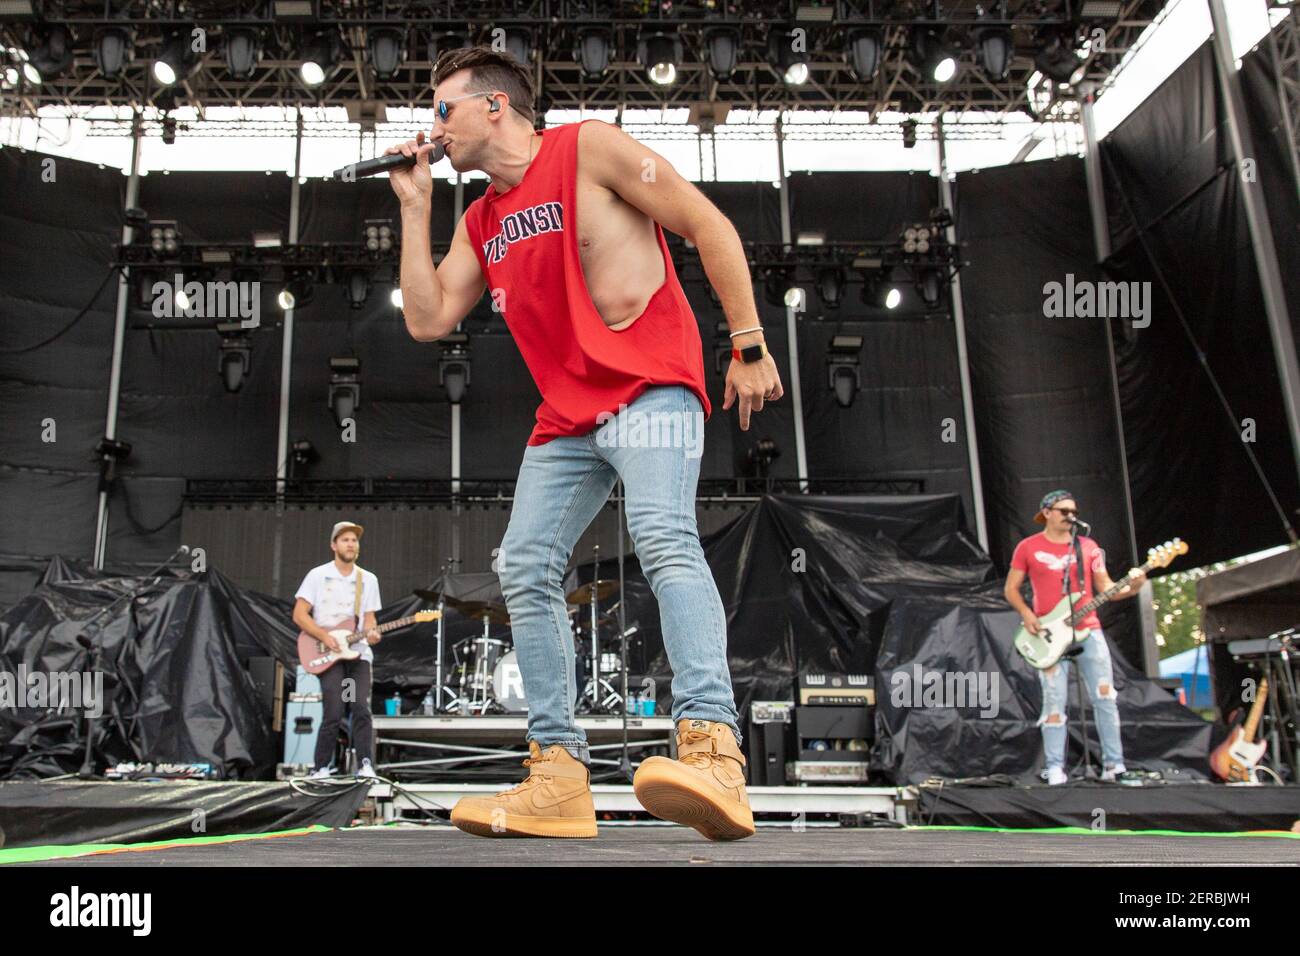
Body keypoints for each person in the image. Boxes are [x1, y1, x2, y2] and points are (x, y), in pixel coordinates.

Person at [388, 46, 783, 840]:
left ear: (494, 107)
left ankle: (713, 748)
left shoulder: (588, 149)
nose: (433, 126)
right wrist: (412, 205)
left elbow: (708, 223)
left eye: (443, 110)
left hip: (652, 385)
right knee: (524, 563)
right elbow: (428, 319)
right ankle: (558, 773)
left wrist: (748, 345)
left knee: (664, 535)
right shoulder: (481, 219)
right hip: (569, 415)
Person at [1004, 490, 1146, 785]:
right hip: (1048, 630)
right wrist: (1027, 614)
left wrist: (1134, 586)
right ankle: (1055, 767)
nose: (1071, 516)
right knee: (1055, 700)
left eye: (1074, 511)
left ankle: (1114, 765)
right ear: (1046, 512)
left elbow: (1107, 587)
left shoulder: (1089, 547)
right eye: (1064, 510)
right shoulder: (1028, 547)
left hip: (1089, 630)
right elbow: (1011, 588)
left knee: (1106, 696)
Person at [293, 521, 383, 779]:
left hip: (358, 653)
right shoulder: (317, 575)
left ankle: (365, 765)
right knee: (333, 710)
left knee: (360, 707)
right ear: (334, 545)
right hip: (328, 653)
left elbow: (369, 620)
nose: (351, 544)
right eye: (345, 540)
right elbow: (299, 615)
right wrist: (324, 636)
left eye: (354, 540)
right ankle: (321, 767)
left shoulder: (368, 579)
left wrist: (373, 633)